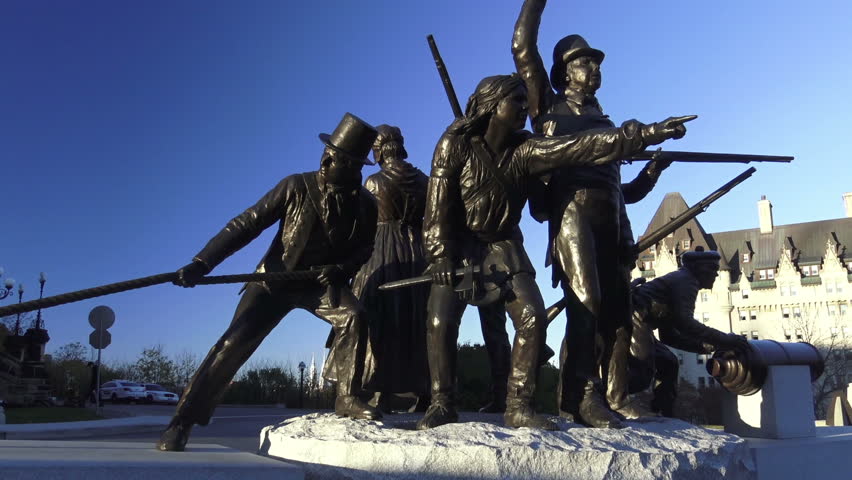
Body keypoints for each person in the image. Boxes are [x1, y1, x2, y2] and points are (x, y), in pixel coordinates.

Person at [417, 73, 692, 431]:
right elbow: (436, 208)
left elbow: (581, 146)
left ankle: (518, 405)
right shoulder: (453, 144)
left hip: (504, 244)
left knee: (532, 316)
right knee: (440, 320)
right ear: (491, 106)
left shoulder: (526, 149)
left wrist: (646, 133)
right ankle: (442, 403)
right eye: (515, 101)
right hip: (459, 243)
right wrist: (439, 256)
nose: (523, 108)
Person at [157, 113, 380, 452]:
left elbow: (366, 247)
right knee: (232, 345)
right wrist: (202, 262)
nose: (354, 172)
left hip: (319, 286)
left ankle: (348, 397)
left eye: (358, 165)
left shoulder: (366, 203)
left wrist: (342, 268)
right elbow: (246, 224)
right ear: (328, 158)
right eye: (346, 163)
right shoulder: (295, 186)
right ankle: (182, 421)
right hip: (273, 283)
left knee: (354, 316)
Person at [512, 0, 681, 427]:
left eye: (595, 64)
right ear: (564, 71)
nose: (594, 69)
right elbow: (522, 47)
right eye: (585, 62)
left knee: (619, 311)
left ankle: (617, 394)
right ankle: (580, 396)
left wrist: (652, 171)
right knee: (586, 301)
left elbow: (622, 192)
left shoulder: (602, 118)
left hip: (611, 218)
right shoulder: (545, 107)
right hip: (572, 215)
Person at [350, 125, 431, 413]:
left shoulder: (374, 182)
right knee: (415, 320)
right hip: (419, 253)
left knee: (375, 317)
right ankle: (421, 388)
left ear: (382, 148)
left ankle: (376, 387)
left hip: (382, 251)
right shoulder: (425, 181)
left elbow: (361, 225)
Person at [616, 248, 749, 418]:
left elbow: (668, 336)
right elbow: (685, 323)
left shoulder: (682, 280)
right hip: (634, 317)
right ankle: (608, 395)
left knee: (669, 362)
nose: (716, 275)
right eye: (713, 270)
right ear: (701, 269)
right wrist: (726, 339)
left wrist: (704, 347)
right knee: (642, 372)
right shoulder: (687, 281)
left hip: (642, 321)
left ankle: (663, 412)